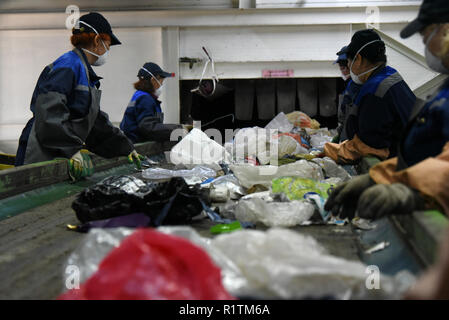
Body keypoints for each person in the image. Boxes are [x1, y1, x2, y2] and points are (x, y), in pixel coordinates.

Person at [324, 0, 449, 222]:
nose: (426, 45)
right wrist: (378, 178)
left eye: (427, 35)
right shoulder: (437, 87)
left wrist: (406, 185)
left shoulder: (376, 90)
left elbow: (374, 147)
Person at [15, 12, 143, 179]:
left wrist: (125, 147)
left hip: (58, 153)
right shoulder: (68, 67)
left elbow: (94, 122)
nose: (108, 51)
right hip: (40, 153)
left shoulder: (85, 73)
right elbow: (49, 114)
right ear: (97, 41)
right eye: (108, 44)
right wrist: (72, 149)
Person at [323, 29, 416, 164]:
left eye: (349, 61)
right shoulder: (390, 75)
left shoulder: (374, 91)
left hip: (403, 165)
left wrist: (330, 150)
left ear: (358, 59)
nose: (348, 66)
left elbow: (369, 146)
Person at [120, 63, 182, 143]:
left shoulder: (139, 95)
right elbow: (148, 128)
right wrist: (178, 129)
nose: (161, 85)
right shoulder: (145, 99)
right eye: (161, 82)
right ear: (153, 80)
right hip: (142, 148)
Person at [333, 46, 361, 143]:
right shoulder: (350, 83)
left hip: (352, 136)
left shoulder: (354, 85)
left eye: (342, 68)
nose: (341, 71)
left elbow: (350, 114)